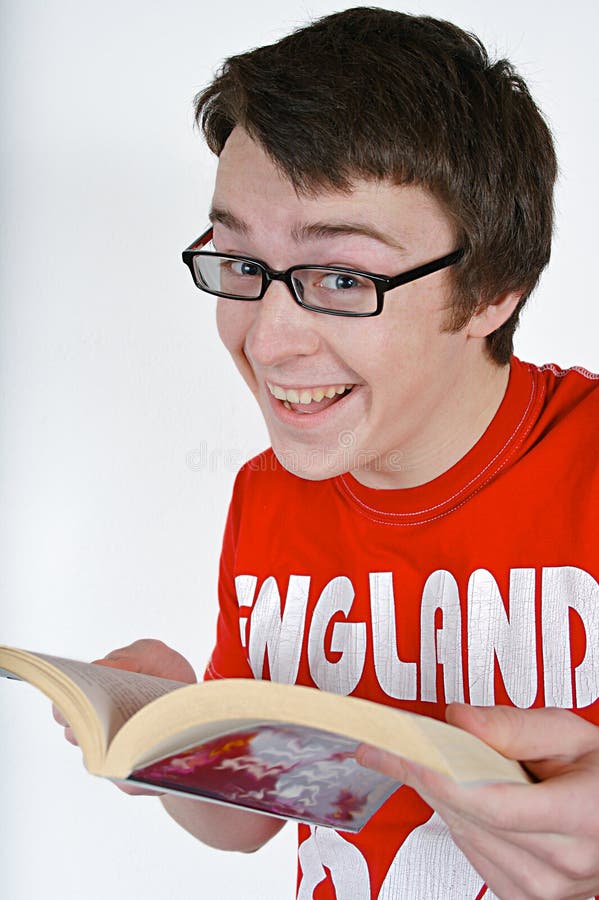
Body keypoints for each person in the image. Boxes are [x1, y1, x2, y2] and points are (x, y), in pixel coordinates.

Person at [55, 7, 599, 899]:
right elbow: (255, 819)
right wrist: (161, 740)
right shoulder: (269, 494)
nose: (267, 342)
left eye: (341, 278)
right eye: (237, 263)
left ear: (495, 287)